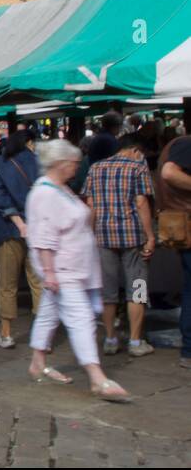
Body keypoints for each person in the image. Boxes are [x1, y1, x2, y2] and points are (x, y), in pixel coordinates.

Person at [25, 140, 130, 402]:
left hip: (72, 267)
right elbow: (44, 237)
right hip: (62, 269)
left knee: (50, 314)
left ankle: (37, 362)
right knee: (81, 318)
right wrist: (49, 272)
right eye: (73, 163)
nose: (76, 167)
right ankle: (97, 378)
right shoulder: (45, 193)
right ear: (61, 164)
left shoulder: (61, 189)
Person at [84, 133, 156, 357]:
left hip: (103, 237)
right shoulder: (137, 167)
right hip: (132, 236)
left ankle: (110, 339)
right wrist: (150, 235)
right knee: (138, 287)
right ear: (136, 150)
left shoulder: (95, 168)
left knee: (108, 292)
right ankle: (135, 342)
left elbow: (90, 204)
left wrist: (91, 232)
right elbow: (141, 201)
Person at [0, 131, 42, 348]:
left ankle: (6, 334)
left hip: (9, 229)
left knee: (7, 284)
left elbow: (0, 197)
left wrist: (20, 225)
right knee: (38, 282)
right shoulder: (40, 163)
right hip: (37, 229)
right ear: (29, 143)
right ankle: (40, 335)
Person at [153, 130, 191, 370]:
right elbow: (169, 173)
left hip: (179, 228)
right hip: (185, 226)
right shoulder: (186, 144)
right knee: (138, 288)